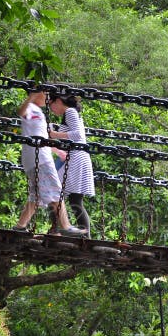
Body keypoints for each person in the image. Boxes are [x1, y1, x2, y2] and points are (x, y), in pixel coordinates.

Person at [14, 90, 86, 236]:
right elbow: (20, 112)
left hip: (38, 157)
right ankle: (65, 227)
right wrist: (31, 97)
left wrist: (57, 151)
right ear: (36, 94)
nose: (48, 99)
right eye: (46, 95)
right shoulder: (30, 108)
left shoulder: (39, 112)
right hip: (40, 159)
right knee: (56, 191)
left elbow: (42, 136)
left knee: (37, 195)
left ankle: (20, 226)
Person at [48, 93, 95, 234]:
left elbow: (78, 135)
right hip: (75, 157)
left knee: (54, 192)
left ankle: (56, 229)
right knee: (74, 199)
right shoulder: (71, 113)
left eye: (51, 105)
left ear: (58, 101)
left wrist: (55, 135)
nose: (51, 109)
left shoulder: (69, 111)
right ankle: (83, 235)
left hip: (76, 158)